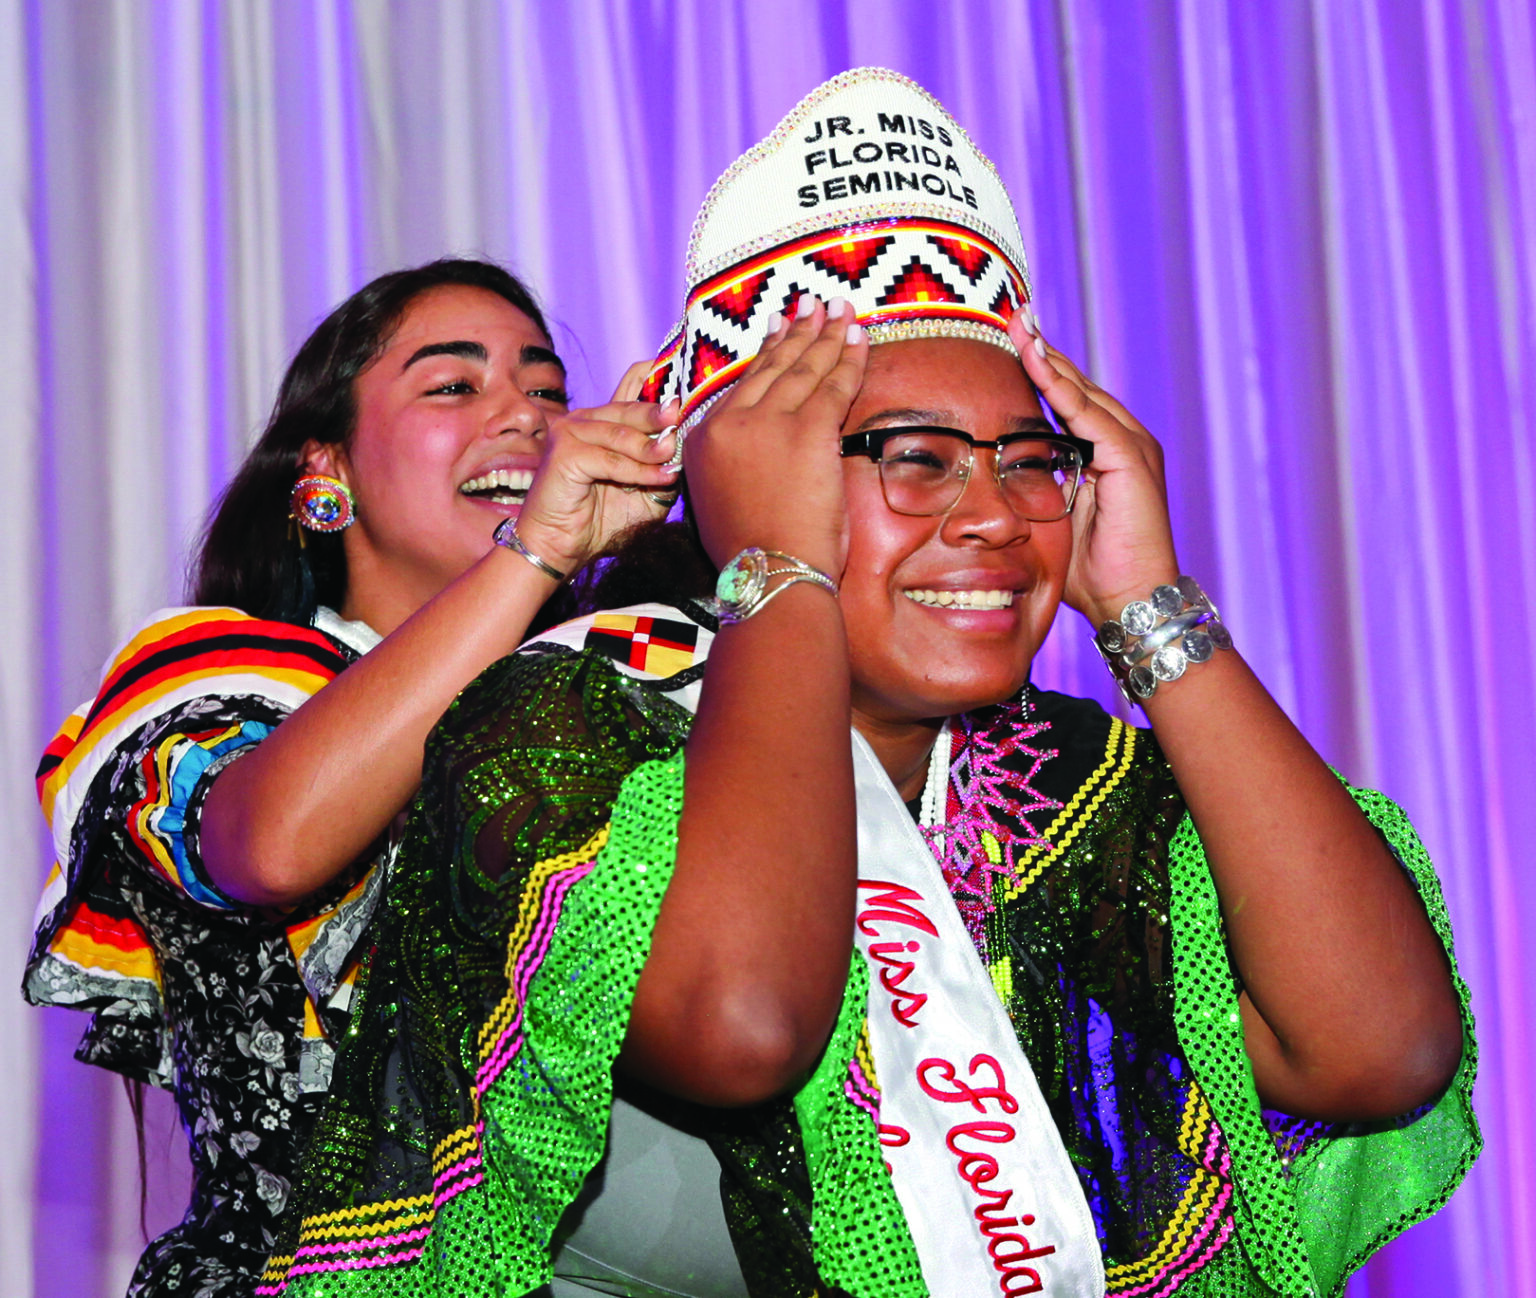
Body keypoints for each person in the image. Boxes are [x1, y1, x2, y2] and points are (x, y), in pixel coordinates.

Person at [259, 74, 1476, 1298]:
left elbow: (1385, 1048)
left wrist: (1151, 604)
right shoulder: (571, 722)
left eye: (1032, 461)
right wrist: (778, 569)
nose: (995, 515)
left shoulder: (1059, 781)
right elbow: (742, 1024)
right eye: (915, 458)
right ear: (754, 472)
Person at [24, 257, 683, 1296]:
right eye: (454, 385)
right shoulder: (217, 675)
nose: (524, 416)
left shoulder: (634, 684)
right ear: (326, 469)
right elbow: (273, 840)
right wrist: (536, 550)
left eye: (548, 389)